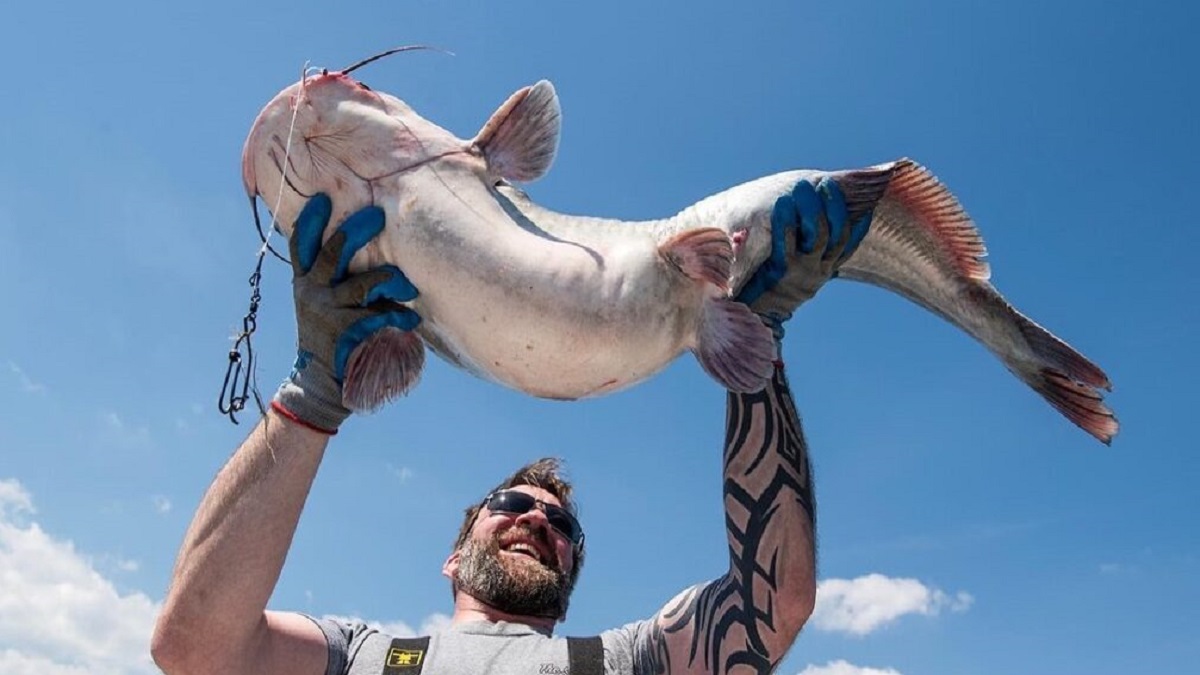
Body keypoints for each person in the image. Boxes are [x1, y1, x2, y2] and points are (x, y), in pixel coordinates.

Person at [151, 177, 872, 675]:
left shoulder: (629, 660)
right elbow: (194, 646)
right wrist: (313, 393)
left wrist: (756, 347)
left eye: (562, 525)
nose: (537, 520)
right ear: (452, 552)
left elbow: (772, 603)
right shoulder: (361, 656)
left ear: (573, 571)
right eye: (513, 504)